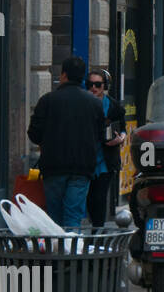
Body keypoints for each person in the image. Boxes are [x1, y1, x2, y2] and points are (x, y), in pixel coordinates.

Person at [27, 56, 105, 229]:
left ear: (63, 75)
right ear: (83, 77)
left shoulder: (47, 101)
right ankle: (70, 251)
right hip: (82, 168)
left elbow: (34, 134)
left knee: (54, 218)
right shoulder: (94, 103)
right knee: (73, 216)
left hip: (53, 167)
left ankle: (57, 252)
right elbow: (100, 136)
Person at [85, 68, 127, 228]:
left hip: (106, 158)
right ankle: (95, 225)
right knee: (89, 197)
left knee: (100, 196)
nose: (94, 88)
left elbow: (123, 128)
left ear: (105, 86)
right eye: (90, 85)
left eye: (97, 84)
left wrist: (120, 139)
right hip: (87, 157)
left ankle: (98, 229)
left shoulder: (114, 106)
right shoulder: (83, 104)